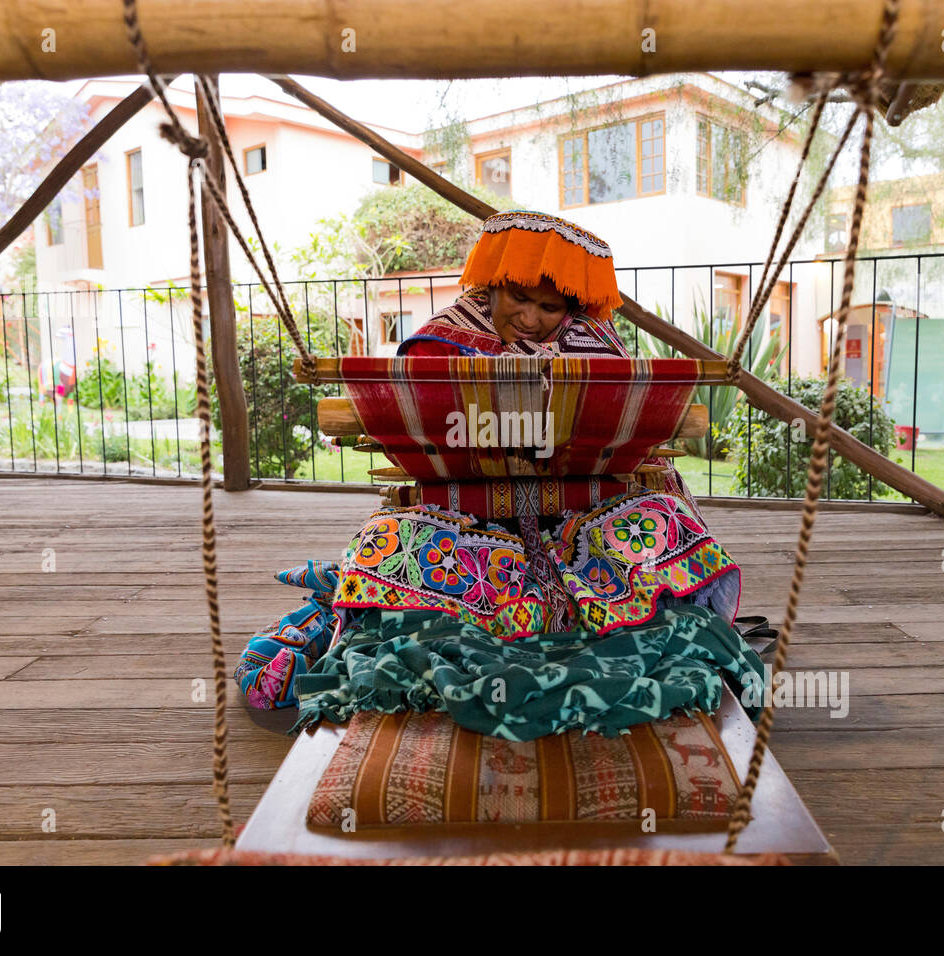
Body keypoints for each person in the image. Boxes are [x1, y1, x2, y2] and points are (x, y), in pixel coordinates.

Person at [238, 210, 764, 741]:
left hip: (581, 508)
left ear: (571, 307)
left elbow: (637, 440)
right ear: (493, 282)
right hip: (461, 512)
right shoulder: (440, 344)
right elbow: (414, 433)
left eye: (549, 307)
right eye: (518, 297)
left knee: (664, 523)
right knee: (388, 544)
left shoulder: (595, 346)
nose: (530, 319)